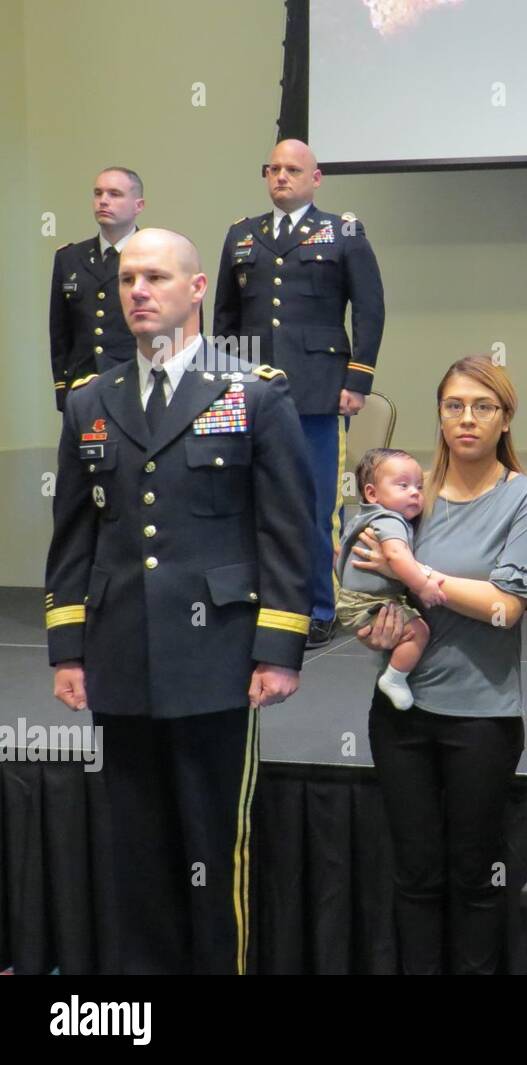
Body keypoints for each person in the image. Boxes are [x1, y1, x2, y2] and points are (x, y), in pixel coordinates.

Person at [44, 228, 314, 974]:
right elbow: (73, 537)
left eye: (156, 277)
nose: (137, 290)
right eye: (128, 278)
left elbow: (288, 530)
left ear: (197, 289)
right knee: (133, 851)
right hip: (121, 655)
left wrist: (278, 647)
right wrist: (68, 648)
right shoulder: (91, 400)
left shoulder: (252, 390)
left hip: (218, 656)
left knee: (213, 850)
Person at [355, 354, 527, 975]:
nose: (466, 418)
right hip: (402, 717)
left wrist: (420, 577)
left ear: (505, 419)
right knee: (414, 877)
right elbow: (370, 589)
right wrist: (377, 628)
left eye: (483, 406)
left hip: (482, 719)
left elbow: (505, 607)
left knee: (475, 878)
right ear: (439, 416)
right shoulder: (408, 499)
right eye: (453, 406)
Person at [213, 138, 386, 649]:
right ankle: (258, 600)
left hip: (318, 391)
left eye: (293, 169)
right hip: (249, 390)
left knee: (315, 503)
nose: (281, 176)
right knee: (243, 498)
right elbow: (226, 317)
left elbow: (370, 310)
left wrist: (357, 380)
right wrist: (225, 381)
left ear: (316, 177)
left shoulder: (344, 232)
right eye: (273, 169)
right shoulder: (242, 235)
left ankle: (318, 606)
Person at [335, 448, 432, 710]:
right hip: (368, 601)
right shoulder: (390, 520)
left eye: (419, 487)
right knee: (418, 632)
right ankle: (395, 678)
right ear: (372, 493)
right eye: (403, 485)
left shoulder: (362, 518)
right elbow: (396, 555)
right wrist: (422, 584)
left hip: (353, 599)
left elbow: (339, 556)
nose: (414, 492)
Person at [49, 167, 145, 410]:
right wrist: (62, 386)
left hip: (138, 385)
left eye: (115, 194)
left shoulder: (155, 253)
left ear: (138, 205)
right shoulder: (69, 258)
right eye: (98, 193)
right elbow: (60, 333)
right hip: (83, 386)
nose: (103, 200)